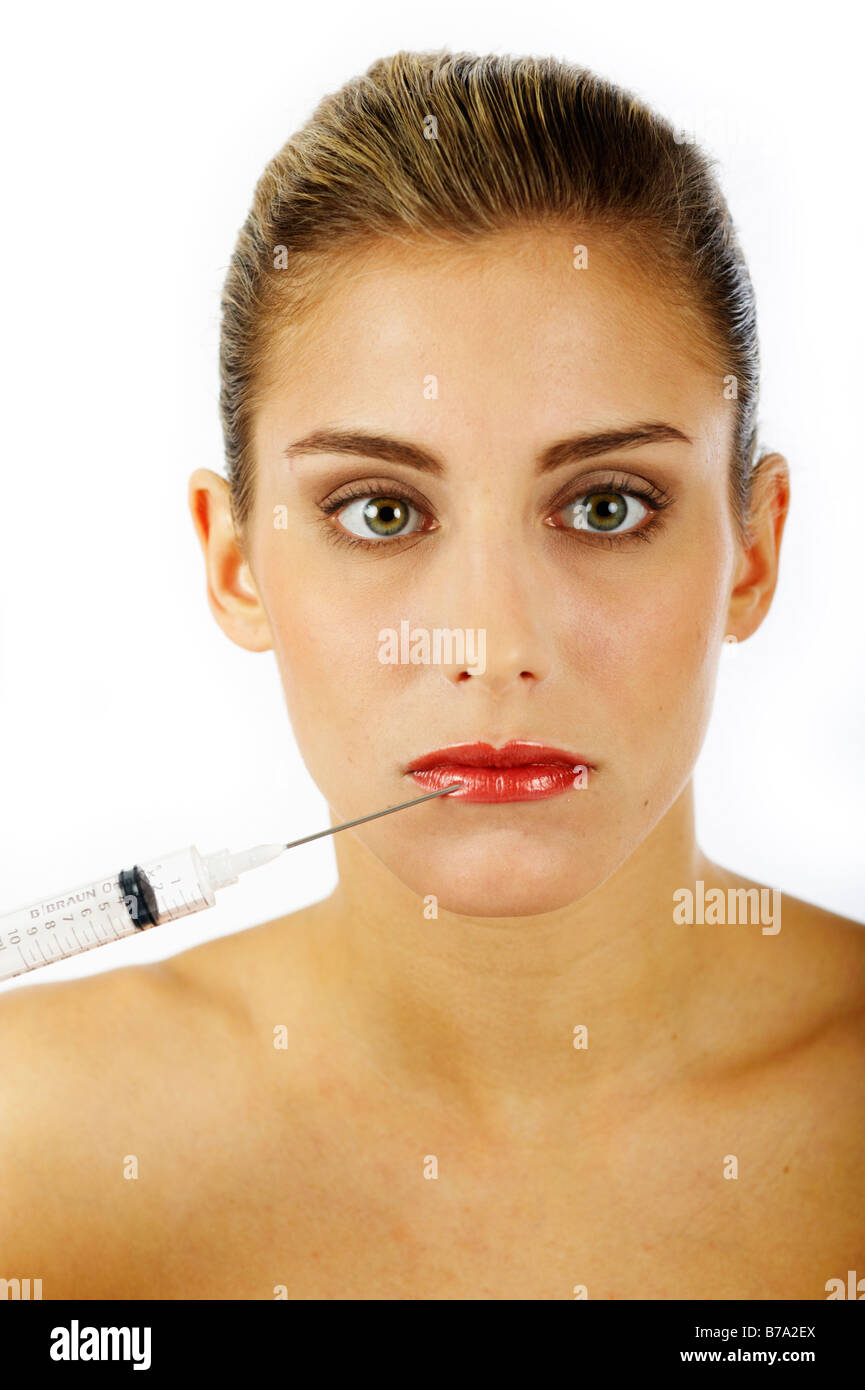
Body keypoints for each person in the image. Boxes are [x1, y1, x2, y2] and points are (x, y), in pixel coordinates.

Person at [2, 49, 863, 1301]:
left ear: (752, 551)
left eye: (608, 505)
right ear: (236, 563)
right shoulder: (33, 1152)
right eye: (382, 514)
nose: (489, 644)